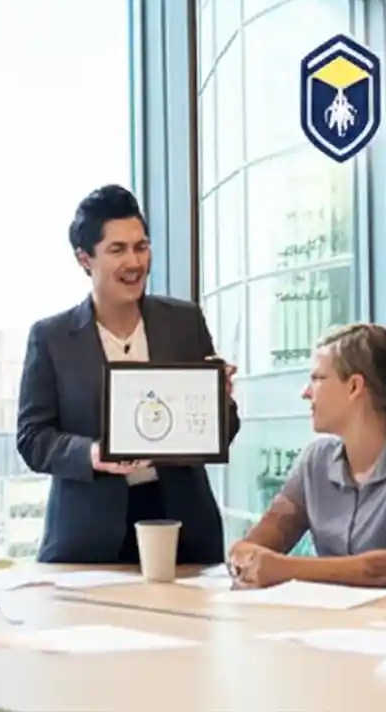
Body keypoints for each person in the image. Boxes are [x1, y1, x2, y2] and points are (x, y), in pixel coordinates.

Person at [16, 184, 240, 564]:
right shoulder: (51, 338)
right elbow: (32, 439)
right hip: (88, 530)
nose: (135, 262)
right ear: (84, 259)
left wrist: (218, 401)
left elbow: (223, 431)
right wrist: (92, 454)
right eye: (117, 250)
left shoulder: (183, 322)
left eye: (141, 246)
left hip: (183, 521)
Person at [227, 323, 386, 589]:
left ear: (354, 387)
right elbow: (257, 545)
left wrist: (284, 568)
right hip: (332, 625)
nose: (305, 392)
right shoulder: (315, 460)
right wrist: (243, 555)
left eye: (317, 378)